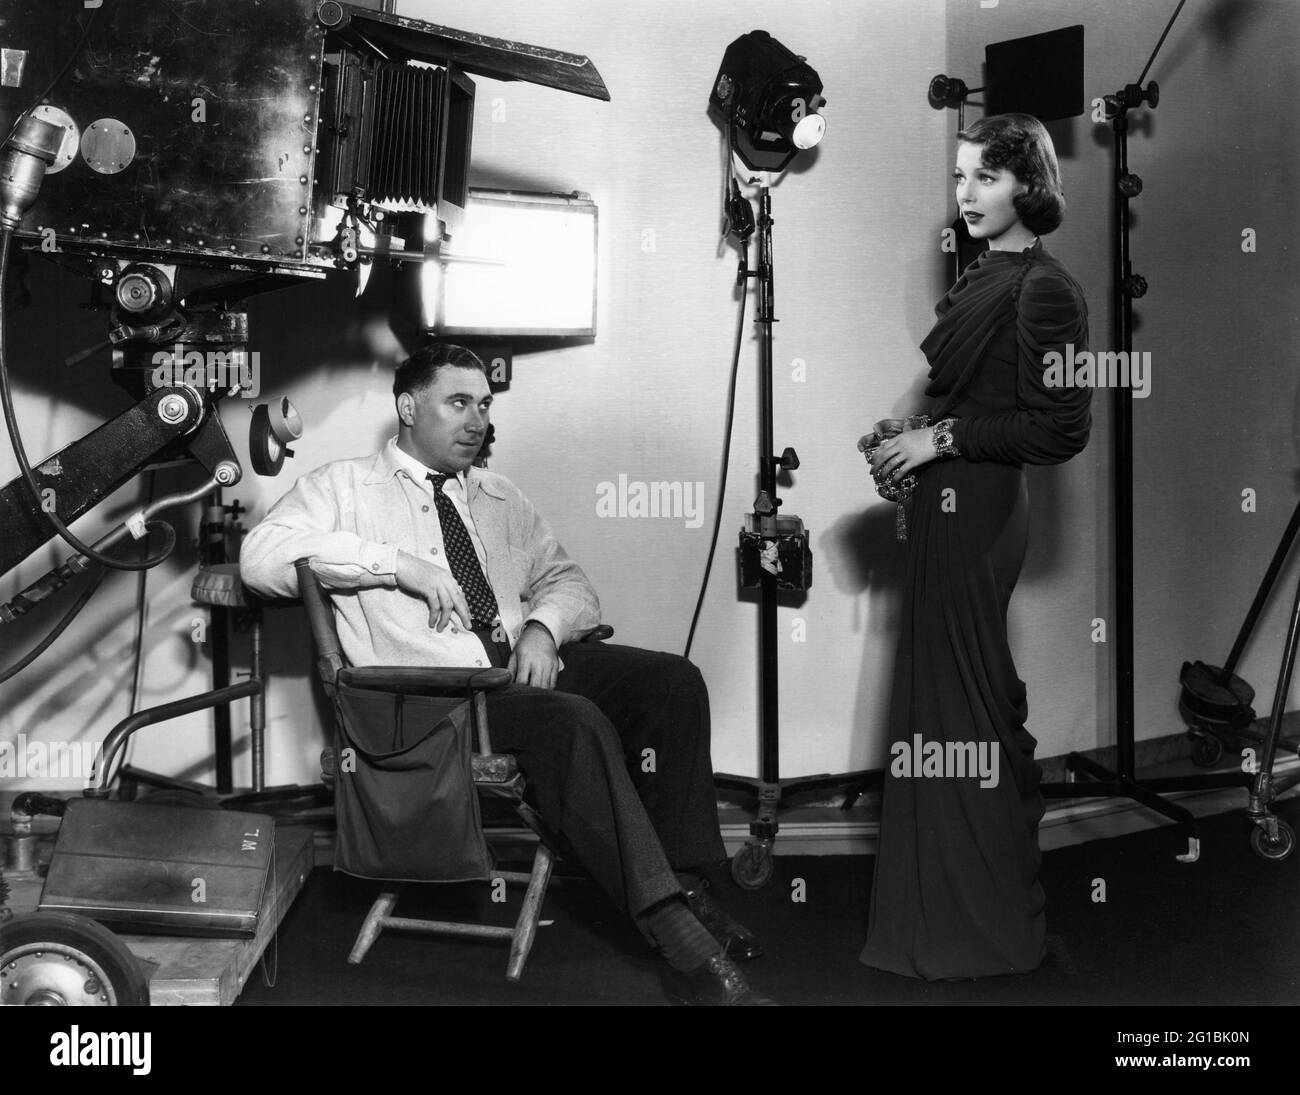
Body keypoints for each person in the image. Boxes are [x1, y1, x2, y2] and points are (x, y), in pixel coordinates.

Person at [240, 343, 768, 1005]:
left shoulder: (497, 495)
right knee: (571, 721)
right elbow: (258, 558)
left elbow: (569, 582)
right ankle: (674, 933)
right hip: (435, 702)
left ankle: (688, 883)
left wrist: (545, 627)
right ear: (407, 406)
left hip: (515, 678)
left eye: (484, 405)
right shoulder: (343, 487)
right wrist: (394, 563)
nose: (477, 421)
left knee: (672, 681)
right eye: (458, 402)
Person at [859, 114, 1091, 980]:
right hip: (950, 503)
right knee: (940, 705)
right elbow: (976, 395)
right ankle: (937, 919)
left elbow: (1062, 426)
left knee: (970, 705)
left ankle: (985, 926)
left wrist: (941, 441)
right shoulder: (980, 274)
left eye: (983, 180)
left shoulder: (1047, 289)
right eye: (959, 179)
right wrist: (909, 435)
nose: (964, 196)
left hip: (985, 511)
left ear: (1026, 184)